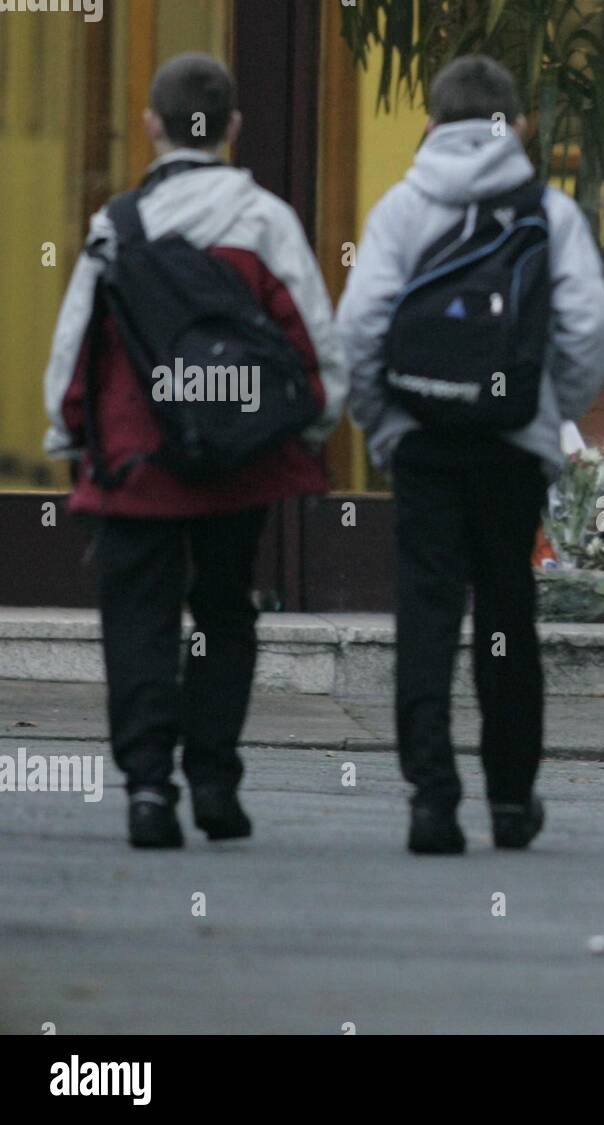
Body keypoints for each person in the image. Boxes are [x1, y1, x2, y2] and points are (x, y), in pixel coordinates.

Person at [42, 53, 346, 848]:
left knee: (137, 614)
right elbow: (316, 344)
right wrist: (306, 432)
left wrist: (73, 432)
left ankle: (148, 789)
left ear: (151, 124)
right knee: (223, 606)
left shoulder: (117, 225)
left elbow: (76, 347)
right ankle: (213, 778)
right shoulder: (266, 221)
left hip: (136, 461)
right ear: (233, 127)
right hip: (236, 460)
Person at [338, 56, 604, 855]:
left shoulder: (401, 209)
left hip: (423, 439)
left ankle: (431, 800)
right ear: (519, 125)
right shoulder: (548, 211)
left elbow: (360, 330)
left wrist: (384, 425)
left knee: (426, 614)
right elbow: (590, 330)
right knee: (507, 614)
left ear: (431, 123)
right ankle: (509, 801)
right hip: (509, 444)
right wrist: (546, 409)